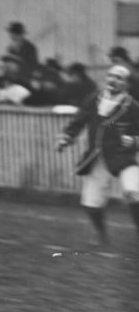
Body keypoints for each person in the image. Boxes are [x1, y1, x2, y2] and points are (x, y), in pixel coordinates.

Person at [56, 64, 139, 247]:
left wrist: (134, 141)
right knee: (91, 205)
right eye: (110, 76)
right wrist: (66, 138)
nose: (113, 80)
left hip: (123, 158)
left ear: (126, 84)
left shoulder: (132, 107)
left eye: (119, 78)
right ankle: (101, 234)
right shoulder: (93, 100)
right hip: (97, 157)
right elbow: (77, 122)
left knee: (134, 193)